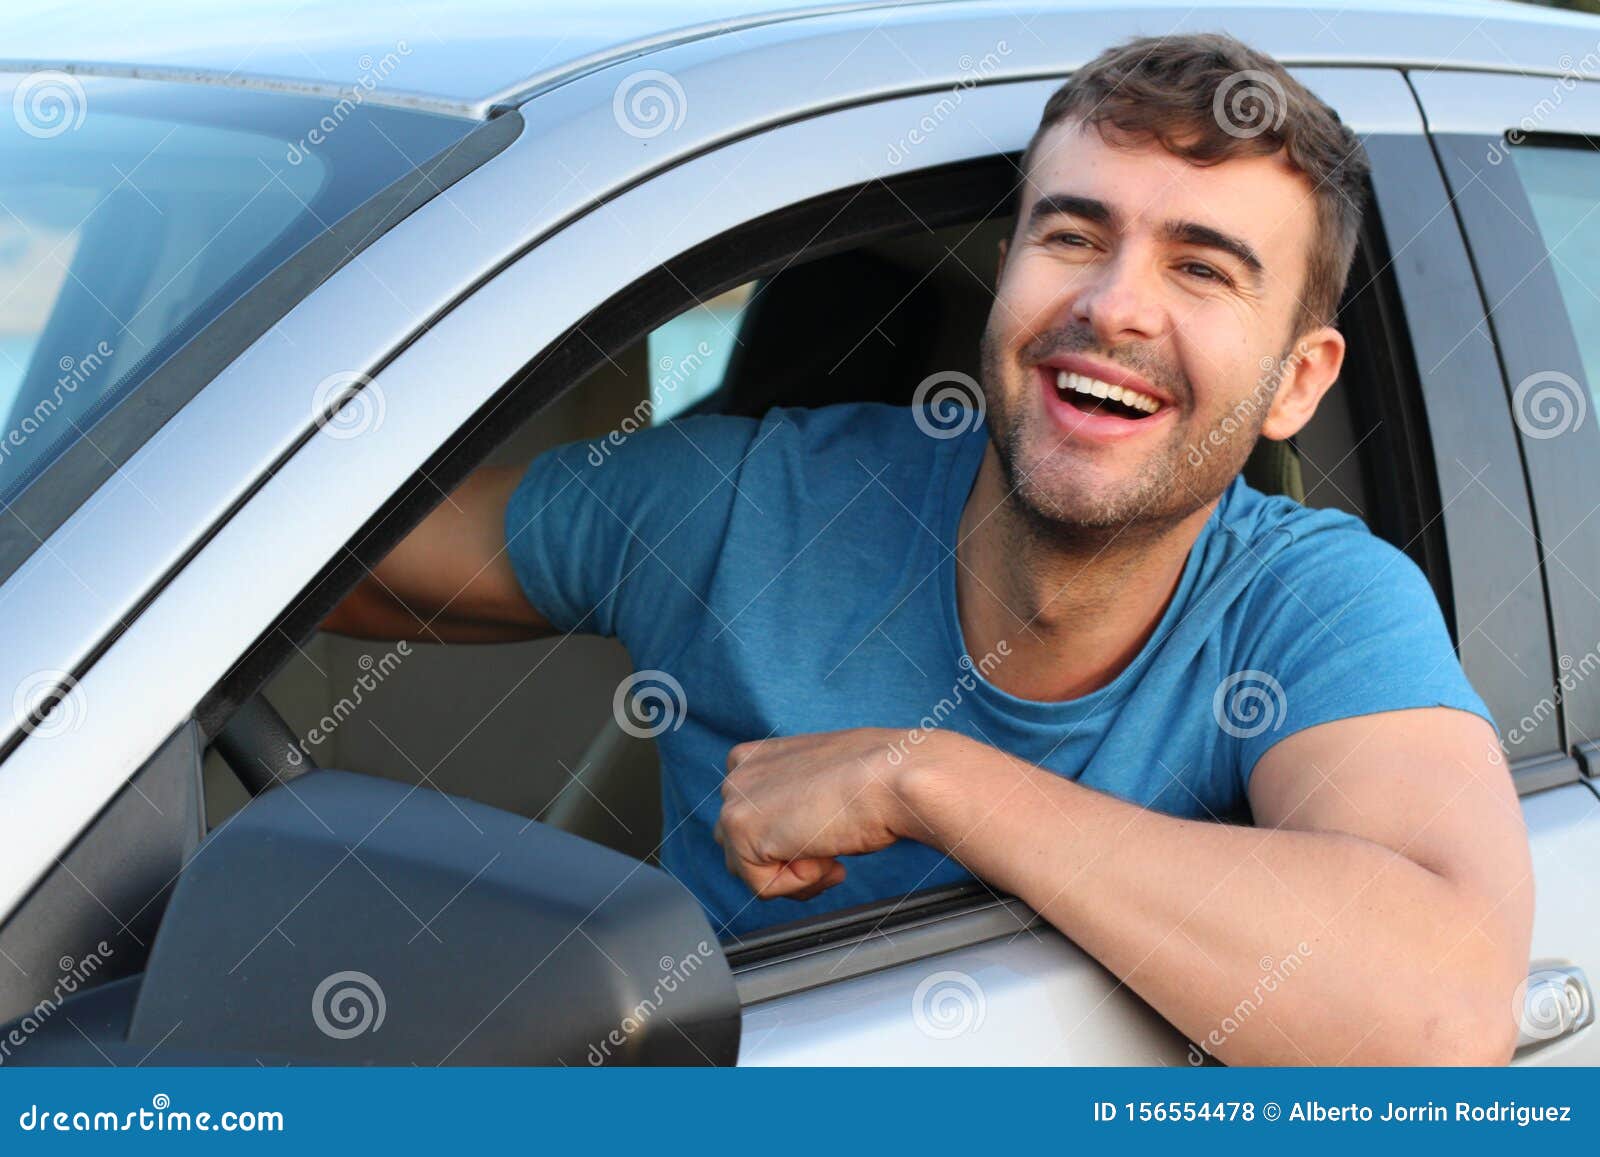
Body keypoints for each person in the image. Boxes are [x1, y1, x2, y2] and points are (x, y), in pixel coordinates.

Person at [323, 32, 1532, 1065]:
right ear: (1007, 277)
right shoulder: (754, 502)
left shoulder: (1311, 602)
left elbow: (1442, 1010)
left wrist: (923, 779)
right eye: (1072, 236)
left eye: (1201, 268)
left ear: (1297, 382)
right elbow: (320, 562)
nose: (1114, 304)